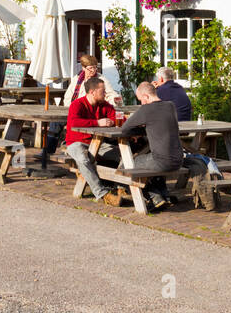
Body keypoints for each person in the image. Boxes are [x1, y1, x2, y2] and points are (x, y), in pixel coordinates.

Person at [121, 82, 186, 212]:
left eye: (140, 100)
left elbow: (125, 129)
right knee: (153, 158)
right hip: (179, 160)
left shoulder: (146, 109)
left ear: (146, 96)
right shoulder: (170, 106)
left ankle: (155, 197)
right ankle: (165, 195)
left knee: (126, 166)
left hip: (162, 161)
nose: (141, 103)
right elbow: (159, 123)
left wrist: (137, 134)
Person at [64, 76, 125, 207]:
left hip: (98, 143)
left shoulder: (104, 105)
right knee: (83, 160)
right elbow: (74, 122)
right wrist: (97, 122)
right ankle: (102, 194)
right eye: (103, 91)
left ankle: (121, 187)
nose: (105, 94)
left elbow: (117, 117)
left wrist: (116, 122)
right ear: (92, 92)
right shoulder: (77, 104)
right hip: (76, 142)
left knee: (124, 156)